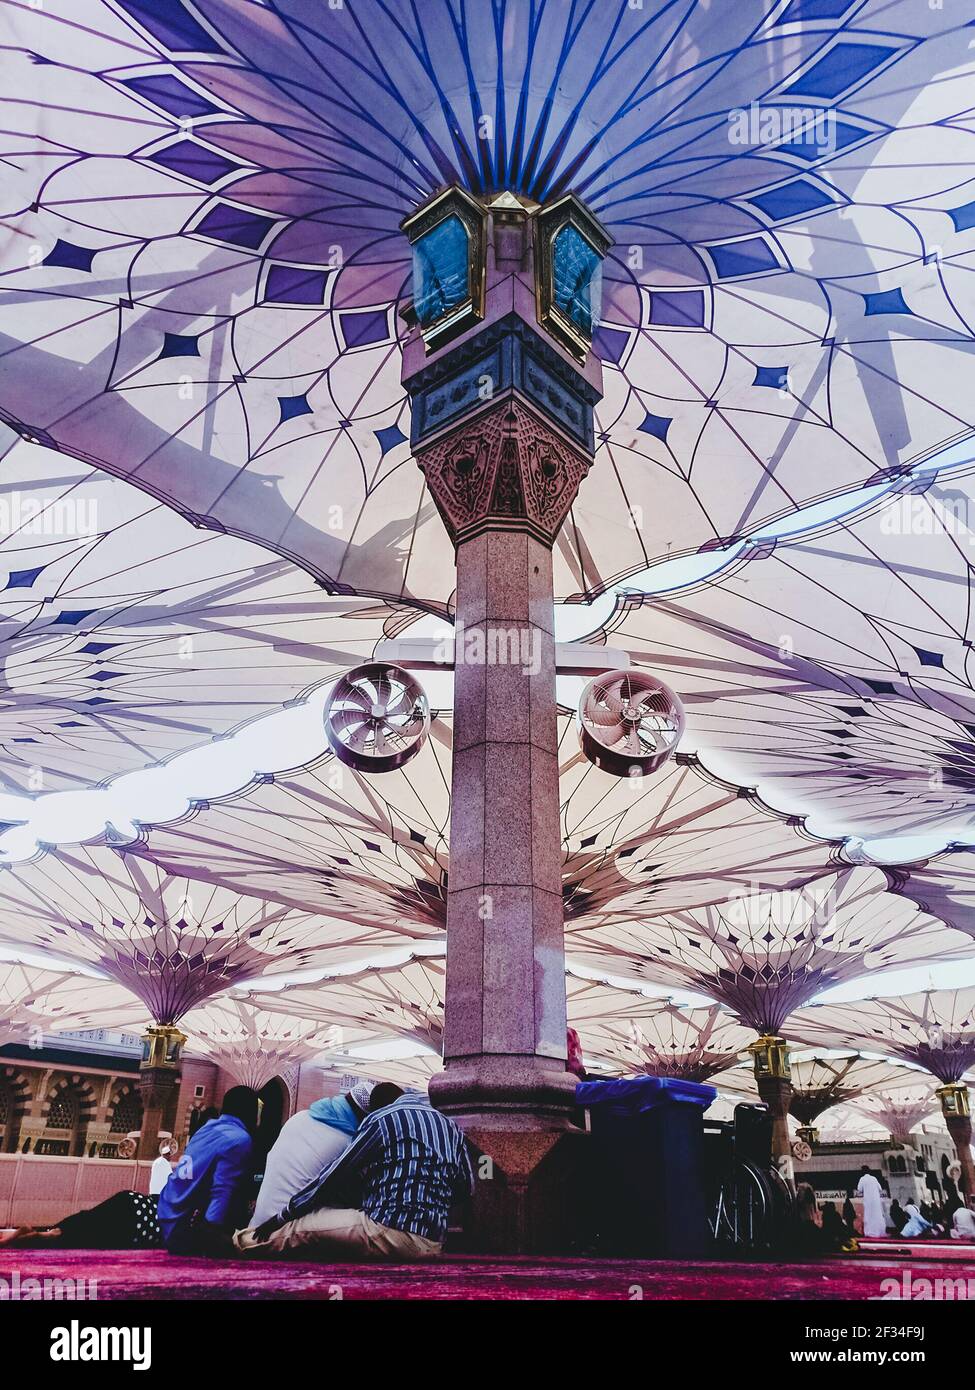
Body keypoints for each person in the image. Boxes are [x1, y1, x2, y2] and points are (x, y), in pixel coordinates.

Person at [235, 1089, 474, 1261]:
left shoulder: (382, 1119)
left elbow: (333, 1177)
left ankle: (241, 1242)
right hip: (434, 1242)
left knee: (301, 1227)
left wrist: (283, 1216)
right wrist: (429, 1205)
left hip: (388, 1232)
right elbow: (466, 1187)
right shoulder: (449, 1126)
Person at [252, 1082, 401, 1227]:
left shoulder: (299, 1117)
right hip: (286, 1232)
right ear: (366, 1117)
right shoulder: (348, 1144)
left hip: (258, 1221)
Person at [158, 1086, 257, 1256]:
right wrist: (214, 1236)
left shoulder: (206, 1129)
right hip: (181, 1228)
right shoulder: (239, 1139)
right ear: (251, 1112)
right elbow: (222, 1189)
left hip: (164, 1210)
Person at [856, 1165, 886, 1238]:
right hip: (876, 1200)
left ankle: (870, 1232)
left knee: (869, 1216)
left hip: (868, 1200)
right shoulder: (874, 1178)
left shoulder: (862, 1179)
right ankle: (880, 1231)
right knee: (877, 1215)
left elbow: (859, 1189)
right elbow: (880, 1188)